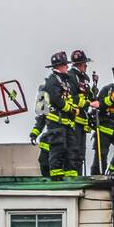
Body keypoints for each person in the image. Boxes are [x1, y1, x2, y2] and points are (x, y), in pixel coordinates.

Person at [36, 51, 80, 179]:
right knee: (57, 151)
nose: (67, 67)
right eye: (65, 64)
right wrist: (70, 109)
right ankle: (56, 179)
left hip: (66, 124)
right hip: (56, 125)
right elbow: (55, 100)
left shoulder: (64, 81)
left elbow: (67, 98)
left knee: (71, 152)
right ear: (59, 66)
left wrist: (74, 107)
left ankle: (71, 177)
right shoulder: (52, 81)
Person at [66, 49, 96, 176]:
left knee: (81, 153)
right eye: (85, 64)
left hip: (82, 121)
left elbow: (89, 96)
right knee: (74, 151)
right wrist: (88, 103)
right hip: (74, 120)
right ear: (81, 64)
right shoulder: (71, 76)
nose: (86, 67)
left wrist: (94, 87)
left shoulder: (84, 78)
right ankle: (73, 177)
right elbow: (71, 97)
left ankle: (78, 175)